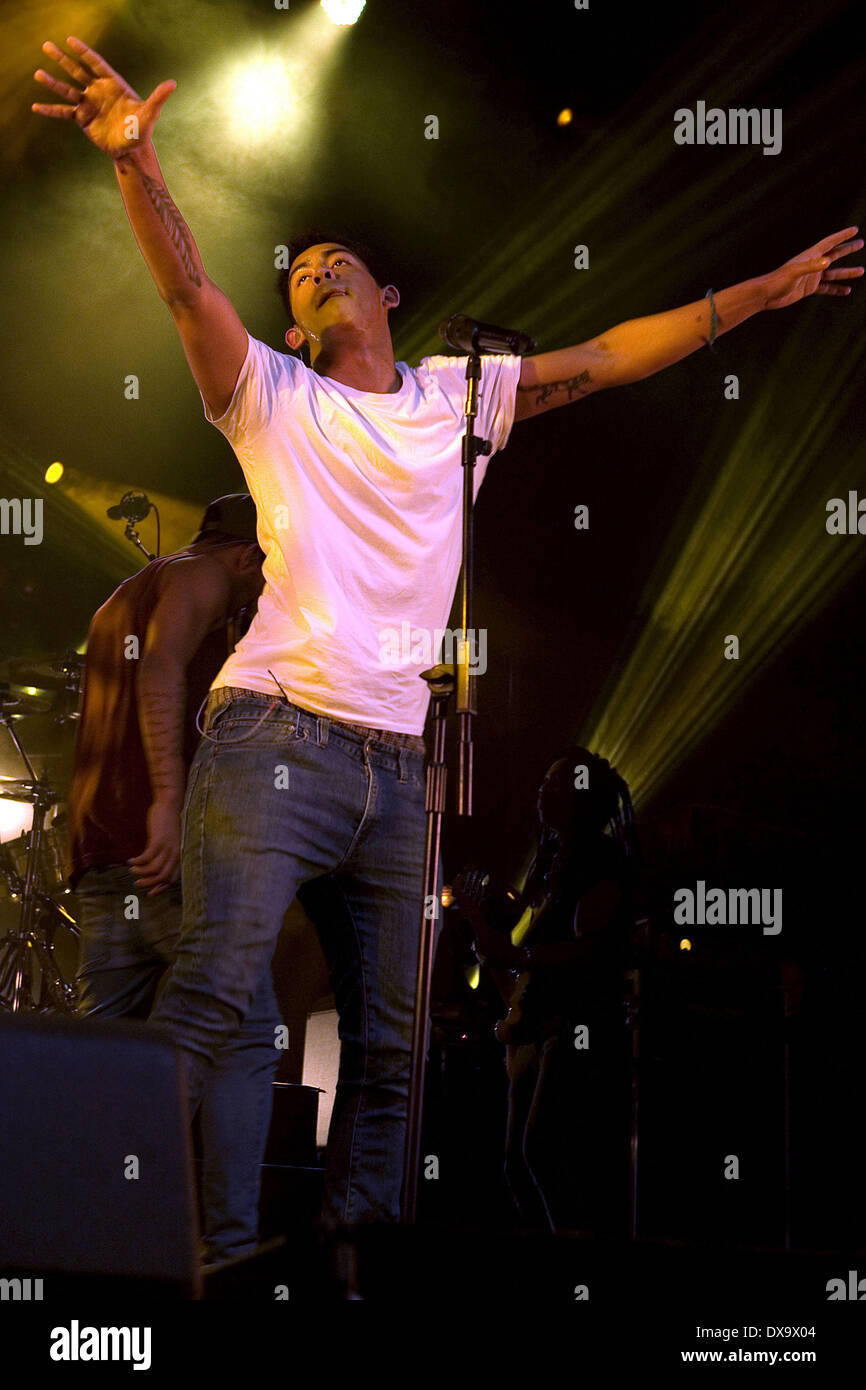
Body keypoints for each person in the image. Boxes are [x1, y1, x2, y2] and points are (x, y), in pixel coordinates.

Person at [32, 34, 861, 1247]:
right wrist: (134, 164)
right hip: (275, 731)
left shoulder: (453, 399)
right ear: (298, 322)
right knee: (217, 995)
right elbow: (185, 289)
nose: (313, 271)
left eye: (338, 262)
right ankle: (200, 1251)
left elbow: (606, 357)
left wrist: (757, 292)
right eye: (299, 271)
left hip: (399, 759)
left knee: (395, 1039)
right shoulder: (270, 395)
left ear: (384, 300)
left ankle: (355, 1255)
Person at [67, 493, 265, 1262]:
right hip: (165, 856)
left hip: (101, 854)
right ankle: (230, 1251)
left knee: (106, 1052)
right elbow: (159, 673)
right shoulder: (201, 583)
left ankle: (83, 1236)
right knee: (244, 1033)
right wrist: (168, 804)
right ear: (247, 554)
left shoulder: (126, 593)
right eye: (263, 577)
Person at [453, 749, 639, 1235]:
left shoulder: (599, 861)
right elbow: (521, 969)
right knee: (518, 1164)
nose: (542, 791)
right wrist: (487, 939)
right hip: (534, 1034)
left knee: (542, 1154)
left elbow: (593, 950)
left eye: (555, 784)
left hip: (573, 1029)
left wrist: (514, 957)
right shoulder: (546, 870)